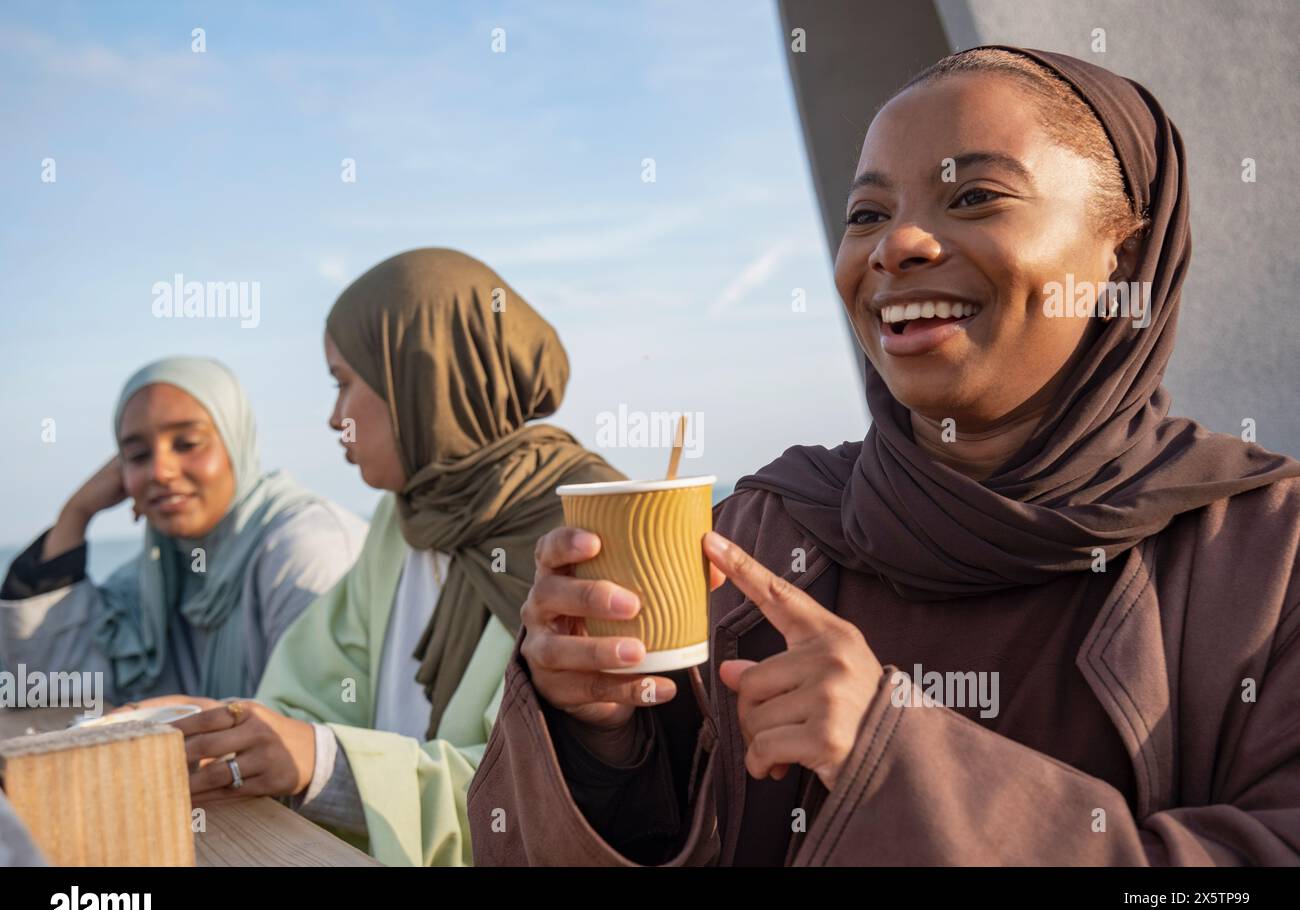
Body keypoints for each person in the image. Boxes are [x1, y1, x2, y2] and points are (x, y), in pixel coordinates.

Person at [467, 47, 1300, 866]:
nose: (896, 244)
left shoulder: (1268, 558)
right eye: (865, 214)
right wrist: (593, 737)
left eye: (975, 196)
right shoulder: (762, 532)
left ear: (1121, 257)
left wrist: (902, 763)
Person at [165, 249, 624, 866]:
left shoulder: (588, 532)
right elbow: (313, 696)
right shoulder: (404, 518)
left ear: (419, 376)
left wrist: (320, 762)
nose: (335, 417)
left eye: (344, 381)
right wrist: (224, 726)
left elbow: (538, 803)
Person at [0, 357, 366, 702]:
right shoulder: (159, 574)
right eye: (139, 456)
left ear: (237, 443)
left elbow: (327, 723)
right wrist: (76, 512)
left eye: (187, 444)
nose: (160, 471)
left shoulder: (304, 548)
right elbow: (46, 679)